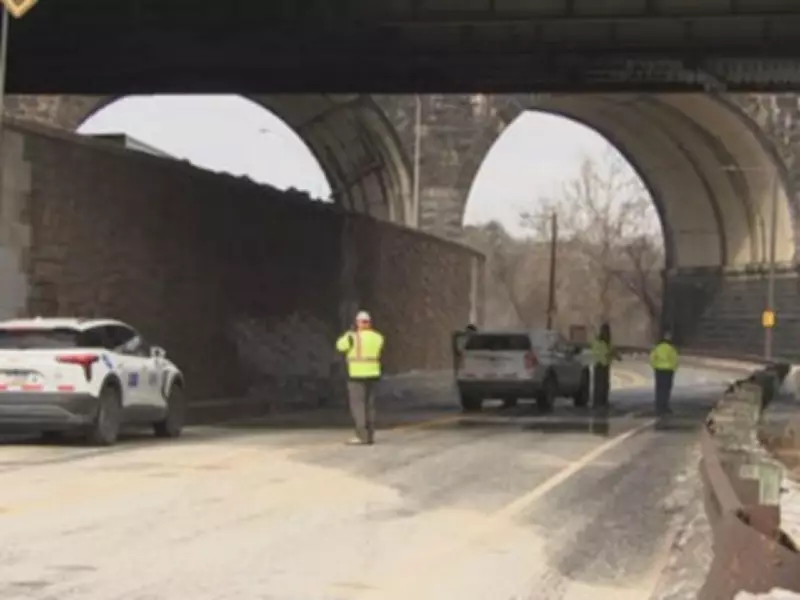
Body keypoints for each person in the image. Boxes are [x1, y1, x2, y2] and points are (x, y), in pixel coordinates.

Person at [335, 310, 385, 445]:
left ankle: (361, 435)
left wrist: (349, 333)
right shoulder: (378, 337)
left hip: (356, 375)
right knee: (370, 406)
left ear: (357, 323)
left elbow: (340, 346)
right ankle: (370, 435)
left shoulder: (352, 337)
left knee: (358, 406)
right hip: (373, 374)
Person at [590, 322, 619, 409]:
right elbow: (606, 352)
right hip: (600, 365)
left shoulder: (604, 342)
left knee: (604, 385)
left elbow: (611, 351)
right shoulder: (600, 342)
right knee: (600, 386)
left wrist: (615, 355)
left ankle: (602, 402)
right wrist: (613, 354)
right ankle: (598, 403)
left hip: (604, 365)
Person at [650, 331, 679, 415]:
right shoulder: (671, 349)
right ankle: (664, 406)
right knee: (666, 389)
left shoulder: (658, 348)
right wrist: (673, 368)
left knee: (659, 388)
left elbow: (652, 358)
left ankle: (658, 405)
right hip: (668, 371)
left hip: (659, 370)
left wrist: (655, 367)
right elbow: (675, 360)